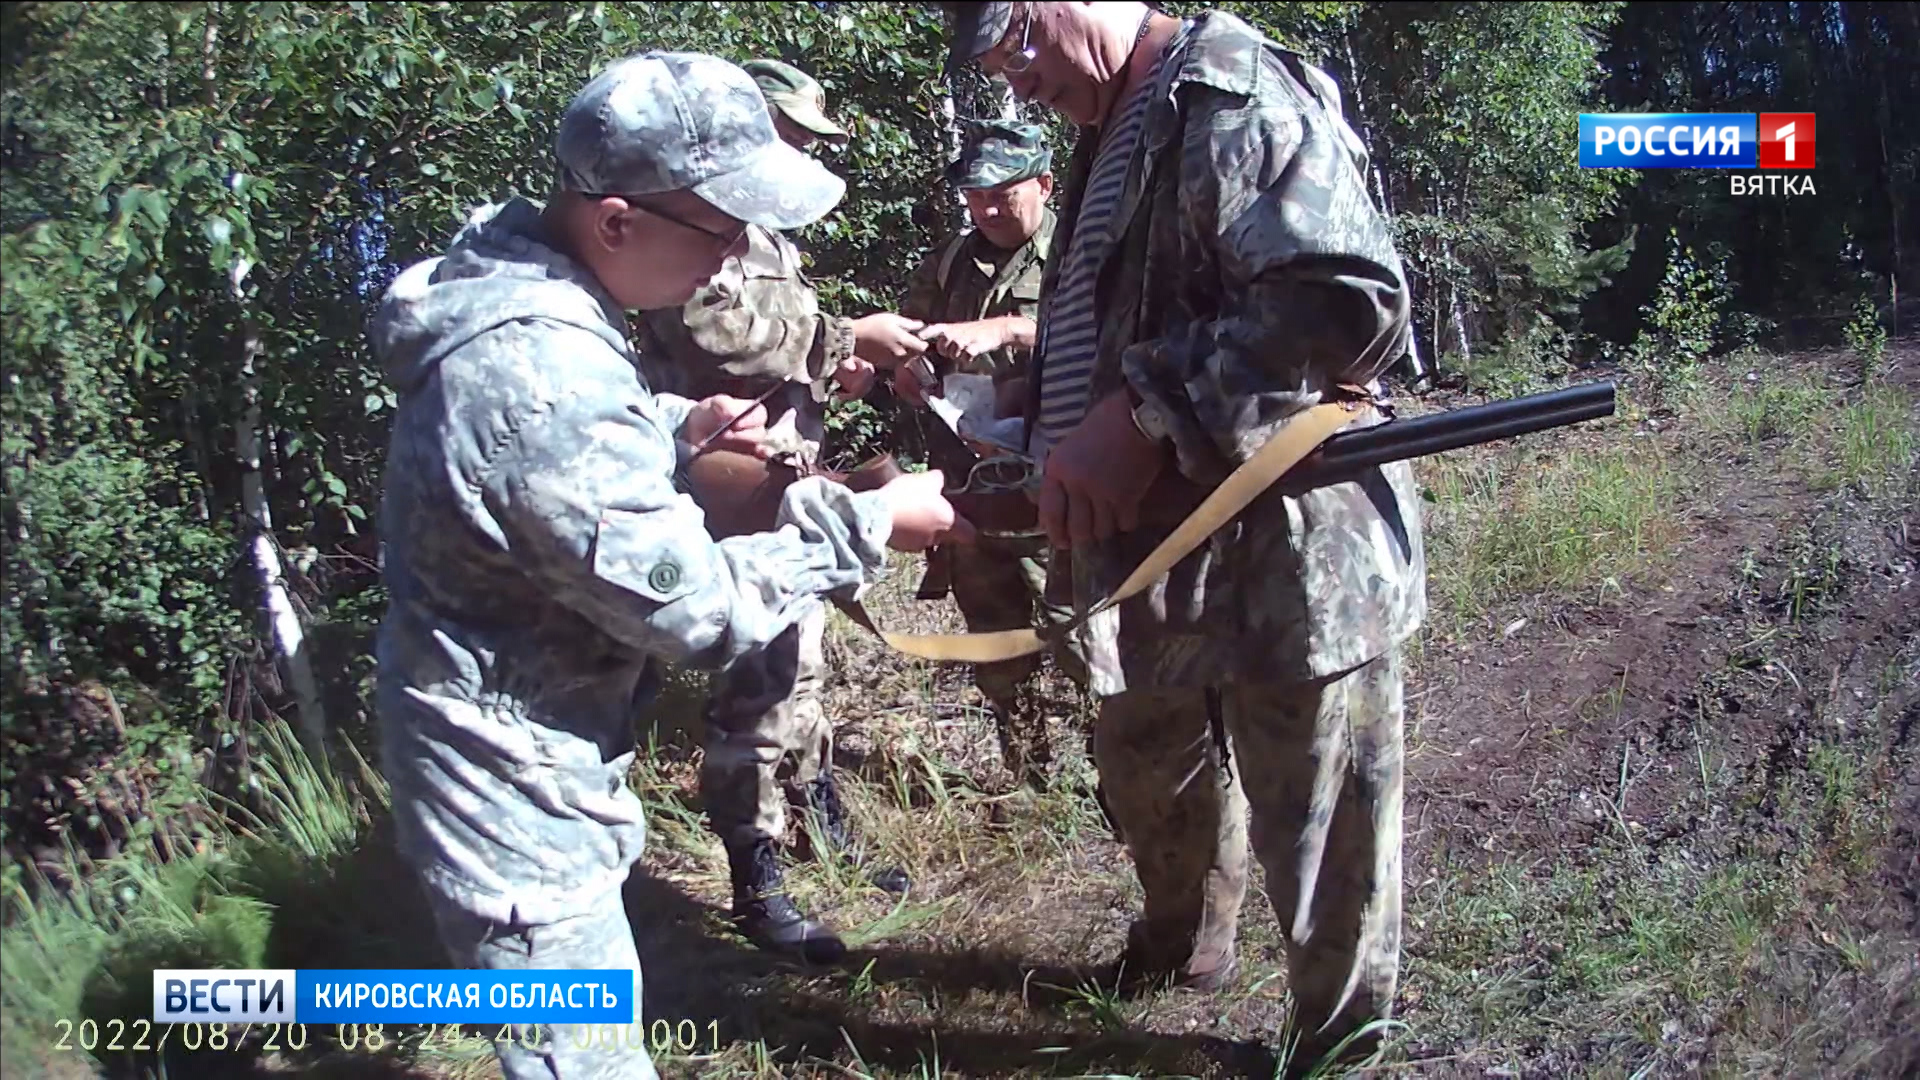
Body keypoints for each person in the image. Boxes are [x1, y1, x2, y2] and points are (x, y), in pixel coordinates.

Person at [370, 51, 961, 1080]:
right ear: (614, 220)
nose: (733, 256)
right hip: (512, 789)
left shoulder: (534, 294)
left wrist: (678, 420)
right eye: (719, 229)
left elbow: (584, 421)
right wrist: (864, 521)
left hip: (536, 747)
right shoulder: (538, 375)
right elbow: (696, 613)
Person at [941, 2, 1427, 1071]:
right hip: (1155, 555)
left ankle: (1340, 1048)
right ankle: (1180, 946)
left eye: (1017, 42)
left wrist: (1149, 412)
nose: (1017, 84)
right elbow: (1133, 317)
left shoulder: (1227, 89)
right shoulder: (1115, 123)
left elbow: (1343, 303)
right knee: (1149, 764)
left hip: (1287, 551)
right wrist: (1045, 419)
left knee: (1317, 819)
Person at [633, 58, 929, 965]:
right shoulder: (695, 224)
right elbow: (714, 329)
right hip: (729, 490)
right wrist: (846, 336)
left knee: (803, 668)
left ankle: (818, 817)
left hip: (779, 482)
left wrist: (825, 364)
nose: (800, 154)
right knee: (756, 687)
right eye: (789, 135)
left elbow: (773, 338)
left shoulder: (762, 232)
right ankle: (755, 880)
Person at [890, 118, 1087, 789]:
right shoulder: (950, 262)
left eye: (1003, 192)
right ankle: (1033, 778)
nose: (988, 209)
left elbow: (1118, 343)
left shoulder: (1084, 249)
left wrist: (1015, 329)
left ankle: (1115, 780)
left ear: (1044, 183)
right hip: (976, 491)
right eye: (976, 196)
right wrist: (911, 376)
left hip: (1062, 483)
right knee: (996, 644)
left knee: (1085, 638)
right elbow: (910, 346)